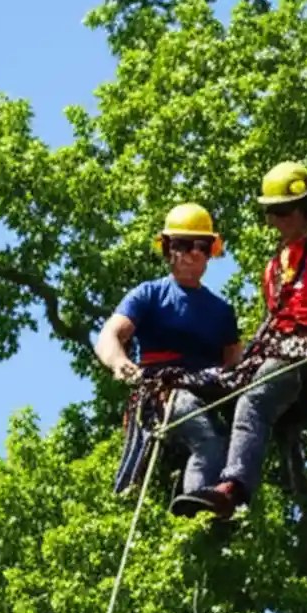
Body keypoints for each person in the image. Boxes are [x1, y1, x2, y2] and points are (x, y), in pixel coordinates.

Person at [170, 161, 307, 520]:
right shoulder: (273, 268)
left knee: (254, 400)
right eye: (271, 212)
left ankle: (232, 489)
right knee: (204, 393)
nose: (276, 220)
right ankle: (198, 492)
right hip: (274, 353)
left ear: (305, 209)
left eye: (283, 211)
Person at [96, 202, 241, 508]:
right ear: (168, 250)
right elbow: (110, 335)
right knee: (207, 439)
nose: (193, 253)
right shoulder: (150, 295)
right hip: (163, 394)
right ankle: (196, 502)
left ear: (211, 251)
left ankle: (208, 501)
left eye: (201, 245)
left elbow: (235, 364)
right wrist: (121, 363)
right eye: (183, 245)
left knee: (223, 438)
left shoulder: (221, 312)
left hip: (205, 393)